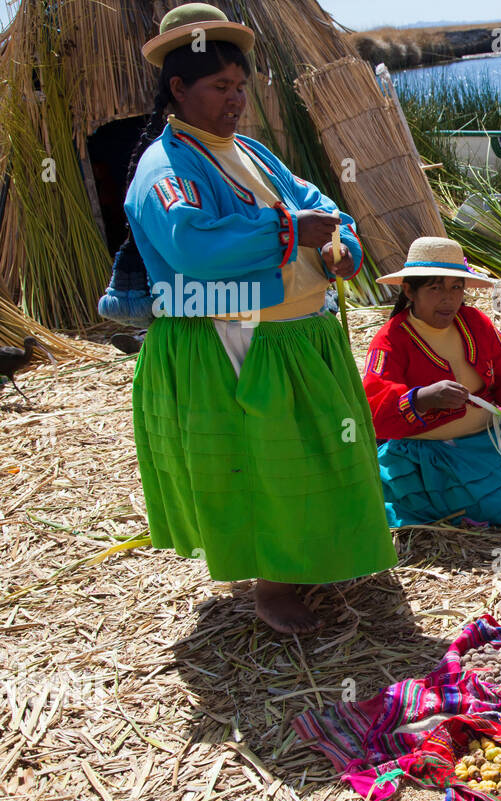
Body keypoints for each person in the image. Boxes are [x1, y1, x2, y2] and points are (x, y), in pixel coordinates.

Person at [122, 3, 396, 634]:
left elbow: (317, 205)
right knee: (270, 459)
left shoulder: (250, 153)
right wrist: (288, 232)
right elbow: (194, 245)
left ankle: (314, 555)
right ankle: (273, 586)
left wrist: (338, 244)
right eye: (220, 87)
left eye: (240, 87)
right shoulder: (165, 170)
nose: (235, 99)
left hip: (294, 334)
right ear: (179, 88)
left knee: (319, 450)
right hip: (233, 339)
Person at [363, 237, 501, 526]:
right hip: (435, 457)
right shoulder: (391, 340)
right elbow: (374, 407)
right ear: (409, 290)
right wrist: (422, 398)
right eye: (435, 288)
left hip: (495, 438)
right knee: (497, 505)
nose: (448, 298)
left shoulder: (474, 322)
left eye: (456, 287)